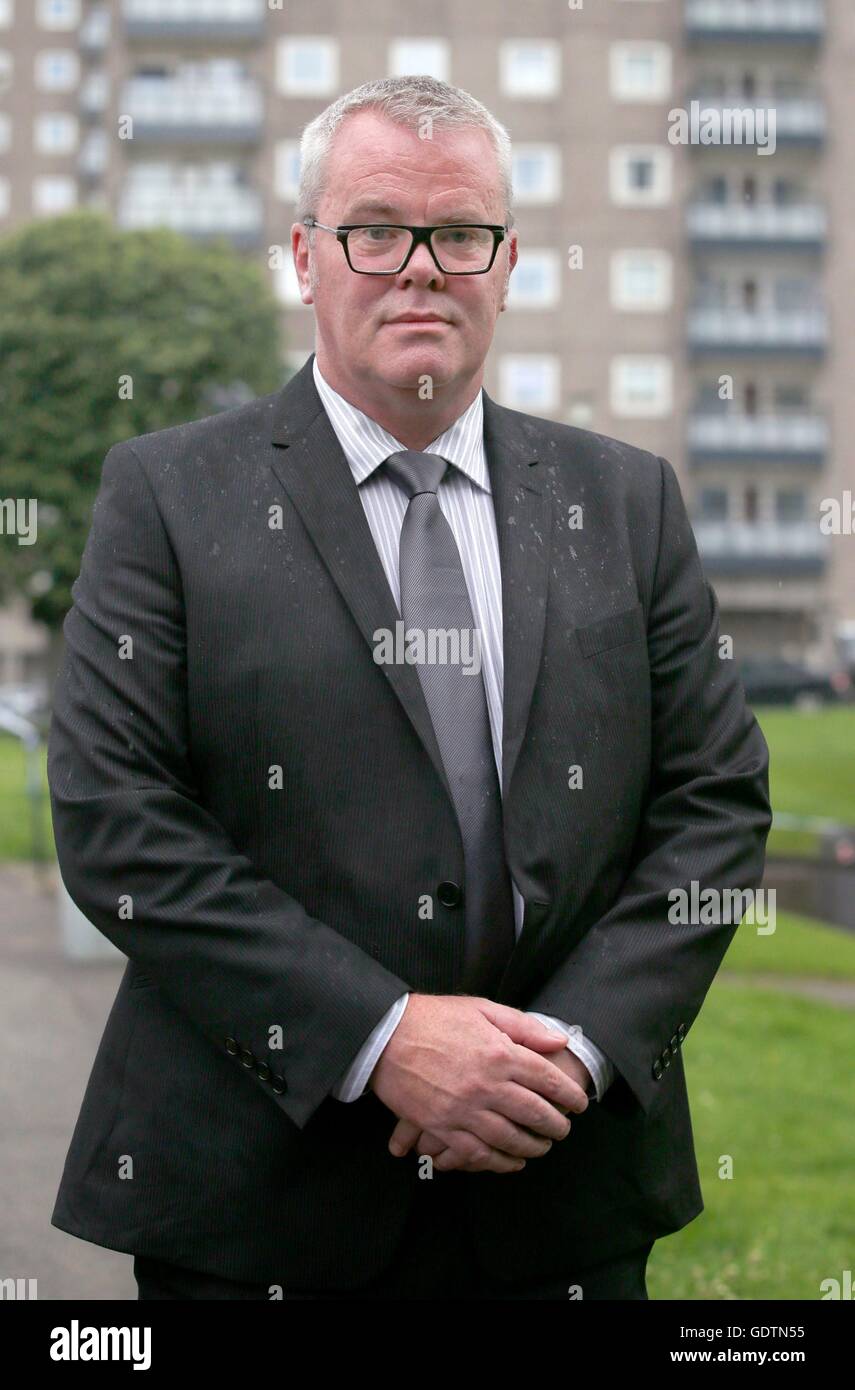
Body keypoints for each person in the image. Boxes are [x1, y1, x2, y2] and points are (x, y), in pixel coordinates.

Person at [48, 76, 772, 1301]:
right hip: (257, 1206)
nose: (421, 267)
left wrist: (572, 1057)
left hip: (561, 1197)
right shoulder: (168, 499)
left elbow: (717, 806)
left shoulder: (627, 501)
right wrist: (384, 1037)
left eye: (462, 233)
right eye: (375, 229)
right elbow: (119, 823)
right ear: (303, 255)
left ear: (508, 259)